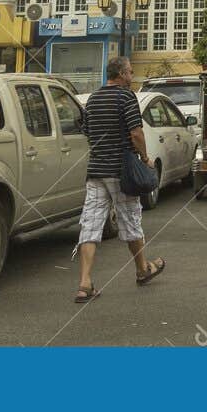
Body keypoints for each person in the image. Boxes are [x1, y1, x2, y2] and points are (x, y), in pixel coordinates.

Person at [74, 55, 163, 302]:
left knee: (90, 225)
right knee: (130, 220)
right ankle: (142, 269)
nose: (131, 77)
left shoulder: (93, 98)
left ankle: (84, 283)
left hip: (96, 171)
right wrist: (144, 157)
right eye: (130, 73)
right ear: (122, 74)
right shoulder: (126, 97)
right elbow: (136, 132)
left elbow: (87, 131)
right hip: (121, 172)